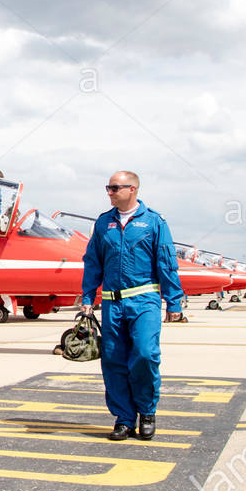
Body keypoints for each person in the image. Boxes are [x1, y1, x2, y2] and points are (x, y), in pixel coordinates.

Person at [80, 170, 184, 441]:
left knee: (145, 354)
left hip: (144, 301)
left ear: (133, 189)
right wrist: (88, 298)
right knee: (113, 361)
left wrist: (174, 301)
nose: (110, 192)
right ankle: (124, 418)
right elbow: (93, 263)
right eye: (109, 187)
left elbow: (166, 263)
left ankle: (147, 412)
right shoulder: (104, 224)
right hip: (112, 303)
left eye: (115, 188)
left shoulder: (154, 222)